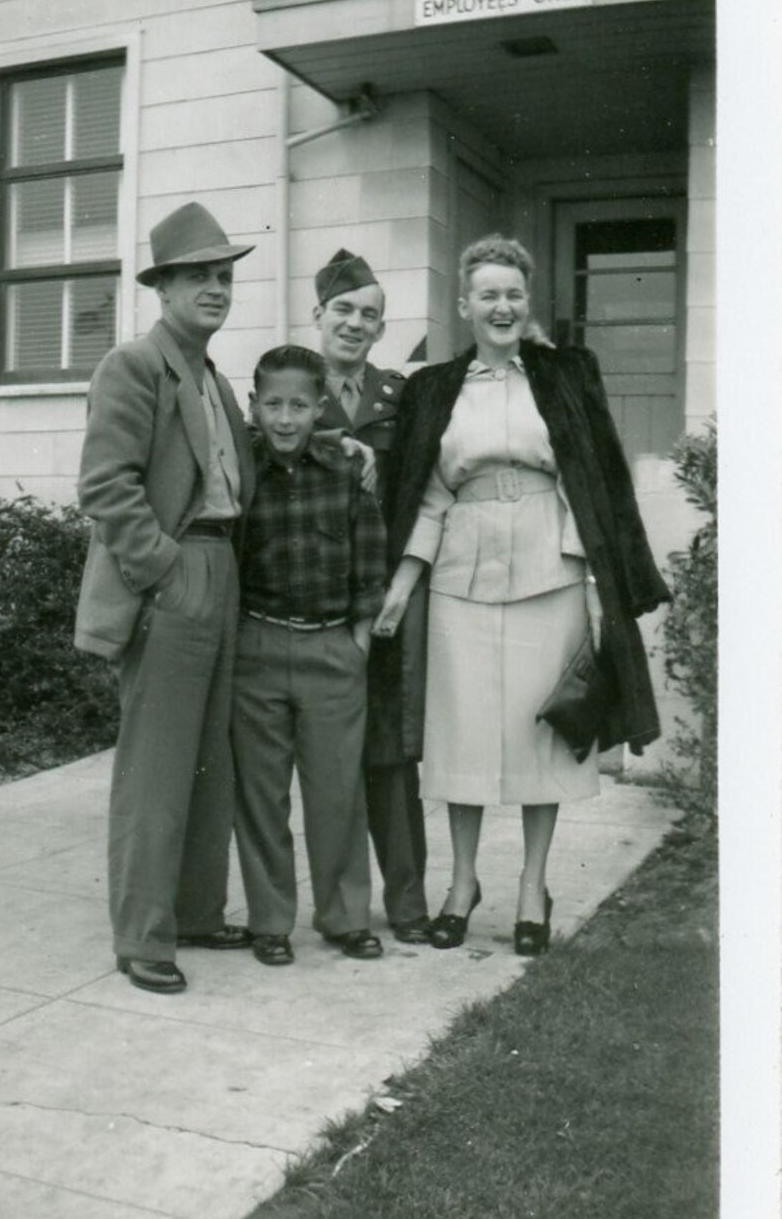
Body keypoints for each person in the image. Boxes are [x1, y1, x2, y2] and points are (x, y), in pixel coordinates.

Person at [372, 234, 669, 955]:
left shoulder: (566, 375)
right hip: (459, 579)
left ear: (526, 301)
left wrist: (598, 585)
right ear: (464, 304)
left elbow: (589, 484)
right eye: (488, 294)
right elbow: (429, 496)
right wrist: (402, 584)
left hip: (551, 570)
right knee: (462, 739)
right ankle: (462, 885)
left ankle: (533, 889)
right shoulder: (434, 388)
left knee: (545, 741)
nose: (501, 306)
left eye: (513, 294)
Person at [74, 201, 257, 995]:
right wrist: (164, 571)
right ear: (164, 288)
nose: (216, 288)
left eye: (223, 276)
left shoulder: (214, 378)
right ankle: (144, 937)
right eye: (199, 277)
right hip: (176, 575)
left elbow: (233, 476)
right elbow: (105, 487)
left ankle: (195, 913)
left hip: (223, 570)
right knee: (158, 766)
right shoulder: (135, 365)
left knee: (210, 759)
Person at [231, 345, 387, 966]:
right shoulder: (239, 470)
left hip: (331, 646)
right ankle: (270, 920)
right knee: (261, 793)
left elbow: (370, 555)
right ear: (254, 406)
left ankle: (344, 916)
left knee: (337, 791)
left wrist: (360, 636)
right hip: (258, 646)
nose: (286, 418)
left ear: (321, 408)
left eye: (299, 405)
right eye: (273, 404)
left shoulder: (347, 471)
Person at [312, 249, 431, 943]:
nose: (355, 325)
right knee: (331, 762)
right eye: (344, 311)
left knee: (389, 754)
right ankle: (342, 908)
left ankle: (408, 904)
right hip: (314, 601)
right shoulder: (290, 386)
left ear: (382, 329)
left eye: (369, 315)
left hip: (383, 598)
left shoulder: (398, 398)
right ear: (318, 315)